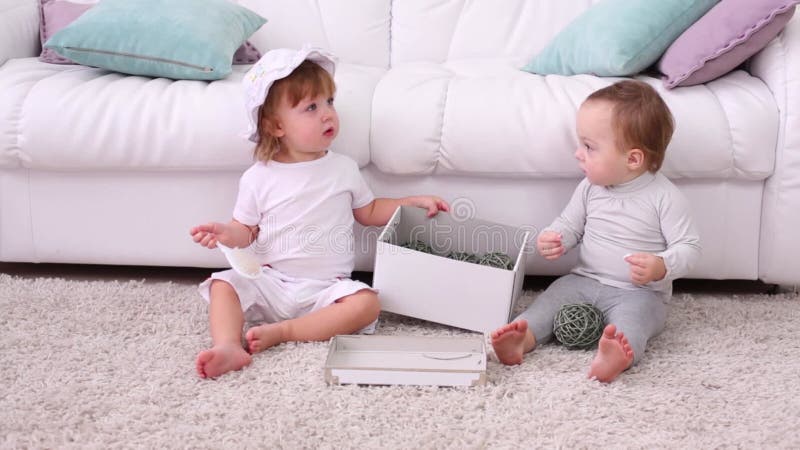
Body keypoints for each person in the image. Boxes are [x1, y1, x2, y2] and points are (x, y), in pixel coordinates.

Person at [190, 46, 449, 379]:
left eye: (329, 102)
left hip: (327, 289)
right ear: (276, 126)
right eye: (311, 107)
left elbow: (368, 211)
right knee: (222, 286)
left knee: (367, 303)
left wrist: (407, 202)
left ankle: (286, 332)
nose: (327, 114)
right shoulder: (259, 176)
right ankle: (227, 345)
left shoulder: (342, 168)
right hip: (272, 282)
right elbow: (246, 229)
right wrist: (227, 233)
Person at [491, 80, 701, 382]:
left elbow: (689, 247)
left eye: (589, 147)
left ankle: (617, 356)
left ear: (633, 159)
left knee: (634, 322)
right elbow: (569, 224)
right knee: (552, 299)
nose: (578, 153)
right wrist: (556, 237)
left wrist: (661, 266)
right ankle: (522, 337)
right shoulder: (590, 188)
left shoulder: (665, 198)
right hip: (584, 280)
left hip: (639, 294)